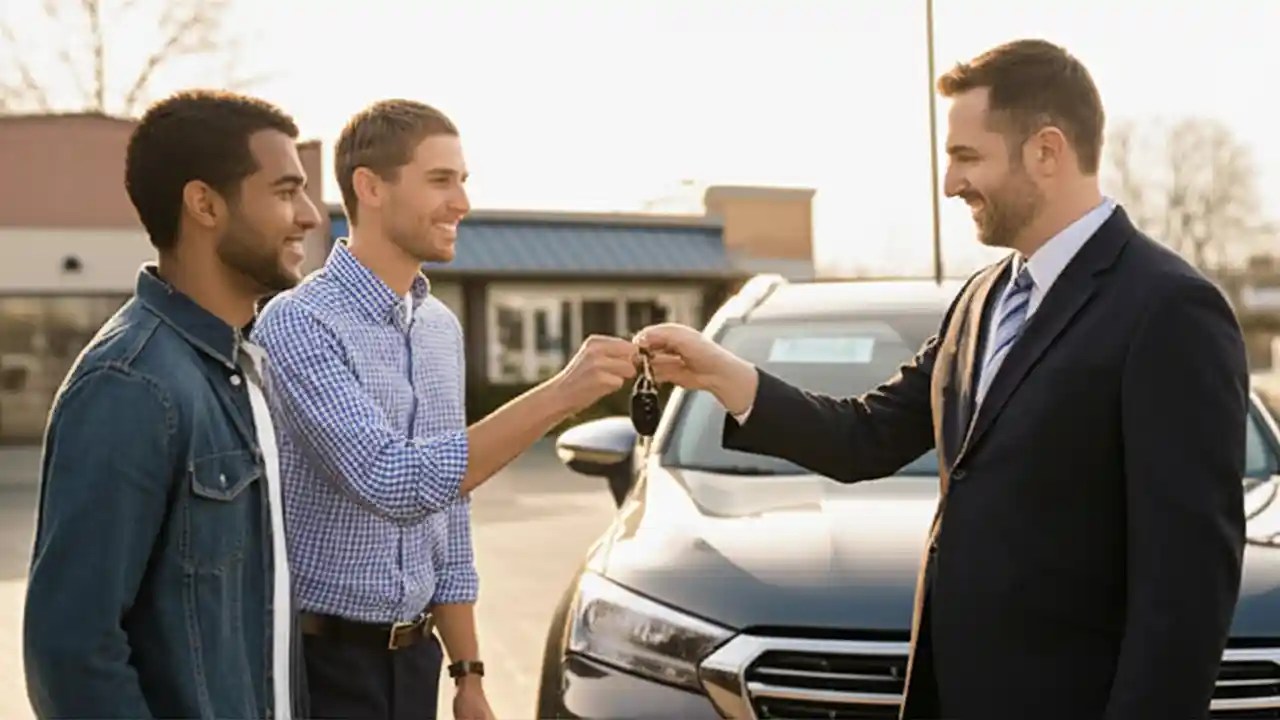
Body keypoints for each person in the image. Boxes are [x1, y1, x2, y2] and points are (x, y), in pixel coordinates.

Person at [636, 39, 1248, 720]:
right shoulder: (980, 299)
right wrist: (729, 377)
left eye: (966, 158)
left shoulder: (1169, 310)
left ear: (1047, 152)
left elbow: (1187, 586)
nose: (951, 184)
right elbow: (864, 438)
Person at [250, 98, 638, 720]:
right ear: (370, 187)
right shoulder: (297, 324)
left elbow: (448, 505)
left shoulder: (438, 328)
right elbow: (393, 479)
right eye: (440, 180)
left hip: (417, 662)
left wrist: (469, 672)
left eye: (462, 180)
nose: (462, 202)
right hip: (318, 666)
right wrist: (563, 393)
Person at [23, 89, 320, 719]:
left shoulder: (238, 370)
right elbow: (71, 651)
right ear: (205, 204)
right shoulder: (131, 385)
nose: (310, 216)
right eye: (285, 191)